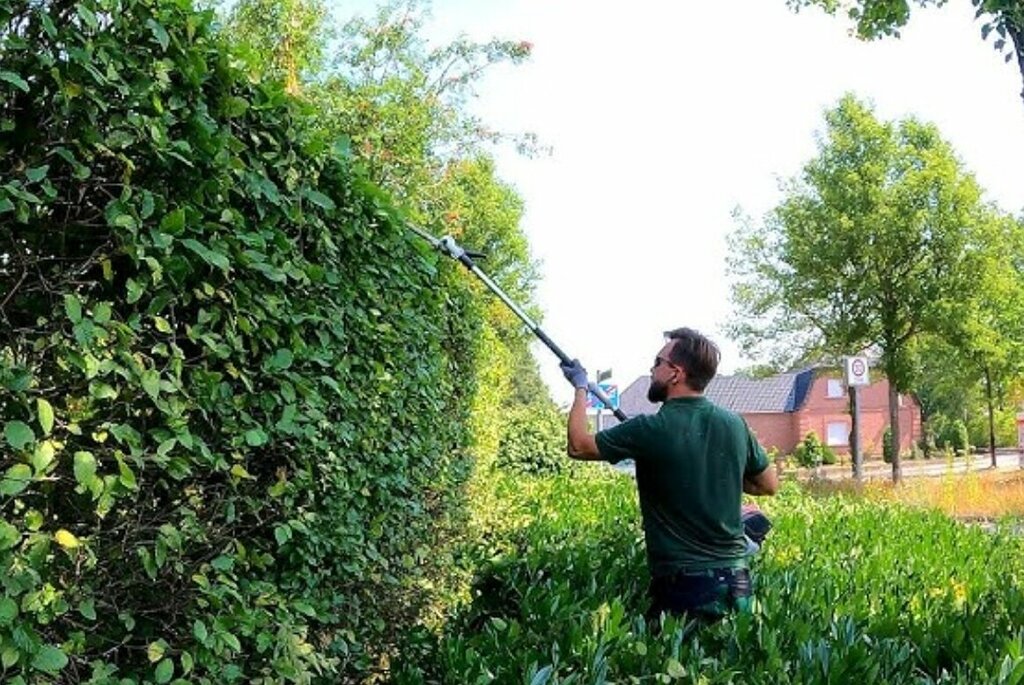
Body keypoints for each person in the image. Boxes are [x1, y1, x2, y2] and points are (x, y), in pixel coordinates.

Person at [560, 327, 779, 624]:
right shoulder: (734, 424)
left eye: (657, 363)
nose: (651, 371)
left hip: (684, 589)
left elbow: (578, 445)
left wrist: (580, 388)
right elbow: (768, 485)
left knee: (671, 666)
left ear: (675, 373)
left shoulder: (650, 429)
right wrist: (712, 471)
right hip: (738, 584)